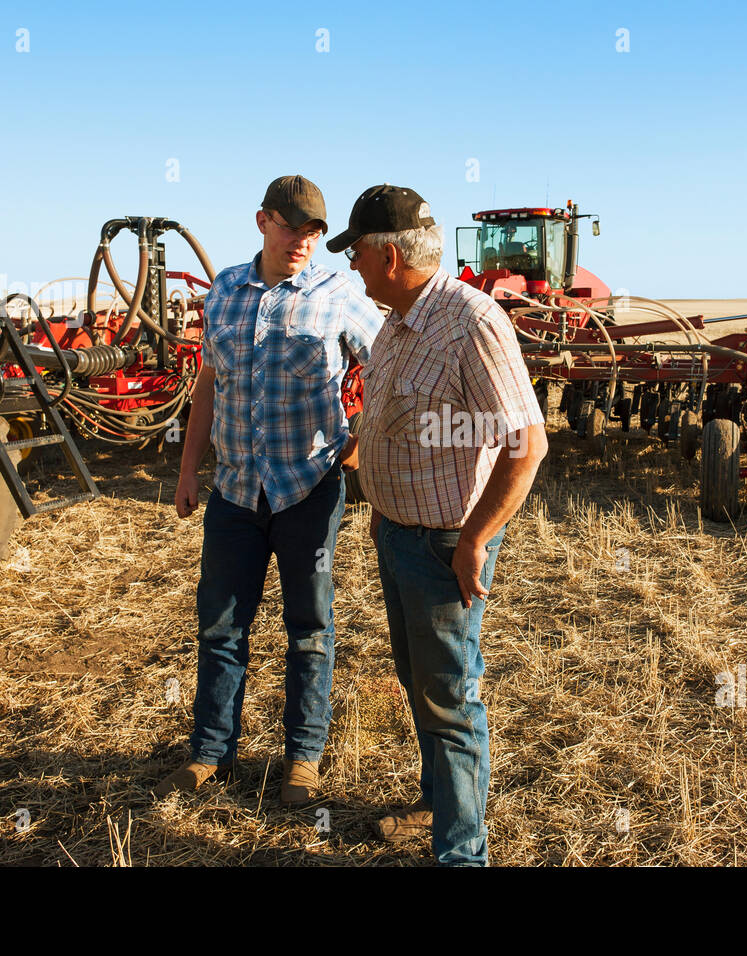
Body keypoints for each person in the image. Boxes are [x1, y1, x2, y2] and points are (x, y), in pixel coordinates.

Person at [326, 185, 549, 865]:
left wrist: (476, 541)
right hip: (398, 533)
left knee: (450, 699)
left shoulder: (471, 322)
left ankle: (462, 854)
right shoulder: (396, 321)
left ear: (389, 254)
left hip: (446, 543)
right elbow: (389, 415)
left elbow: (527, 444)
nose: (353, 268)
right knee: (419, 679)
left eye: (358, 254)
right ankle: (435, 806)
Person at [155, 175, 384, 805]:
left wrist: (361, 440)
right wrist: (187, 470)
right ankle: (210, 753)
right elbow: (209, 383)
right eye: (292, 227)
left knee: (309, 627)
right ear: (263, 221)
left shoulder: (338, 292)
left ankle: (302, 760)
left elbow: (389, 364)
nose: (304, 241)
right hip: (234, 493)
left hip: (308, 490)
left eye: (314, 232)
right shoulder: (226, 291)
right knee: (221, 627)